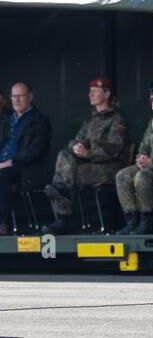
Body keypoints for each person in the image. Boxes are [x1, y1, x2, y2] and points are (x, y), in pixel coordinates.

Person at [41, 77, 128, 234]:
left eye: (95, 91)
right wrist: (76, 147)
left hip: (109, 168)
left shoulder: (117, 119)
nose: (90, 94)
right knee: (64, 154)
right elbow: (75, 140)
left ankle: (63, 217)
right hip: (90, 166)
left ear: (107, 94)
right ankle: (62, 201)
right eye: (90, 91)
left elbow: (114, 149)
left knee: (67, 178)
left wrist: (88, 153)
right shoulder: (91, 121)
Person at [0, 81, 52, 235]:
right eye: (13, 96)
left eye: (20, 96)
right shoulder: (6, 120)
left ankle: (2, 224)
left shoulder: (40, 120)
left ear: (30, 97)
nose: (15, 100)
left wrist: (10, 162)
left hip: (25, 170)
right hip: (3, 167)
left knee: (2, 177)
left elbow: (36, 151)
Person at [113, 83, 153, 235]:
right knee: (122, 176)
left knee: (143, 177)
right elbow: (144, 146)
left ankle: (147, 220)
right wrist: (141, 159)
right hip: (150, 166)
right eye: (151, 99)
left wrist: (152, 163)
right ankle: (132, 220)